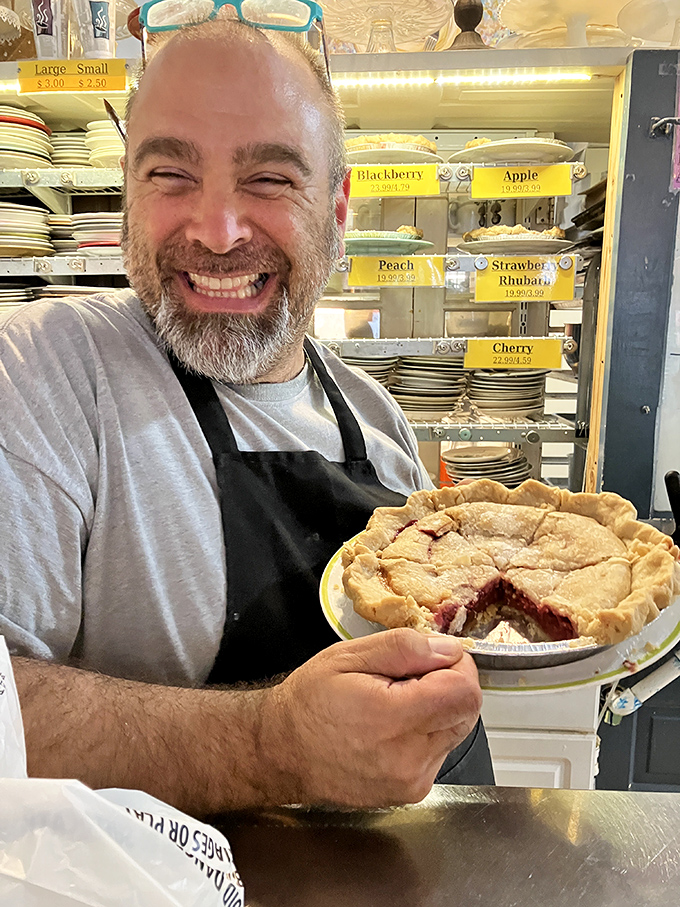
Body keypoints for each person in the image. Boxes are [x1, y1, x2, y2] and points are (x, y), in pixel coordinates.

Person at [0, 15, 493, 817]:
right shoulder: (45, 373)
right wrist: (271, 746)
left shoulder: (381, 423)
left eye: (269, 179)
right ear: (127, 191)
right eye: (170, 173)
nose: (217, 230)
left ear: (337, 210)